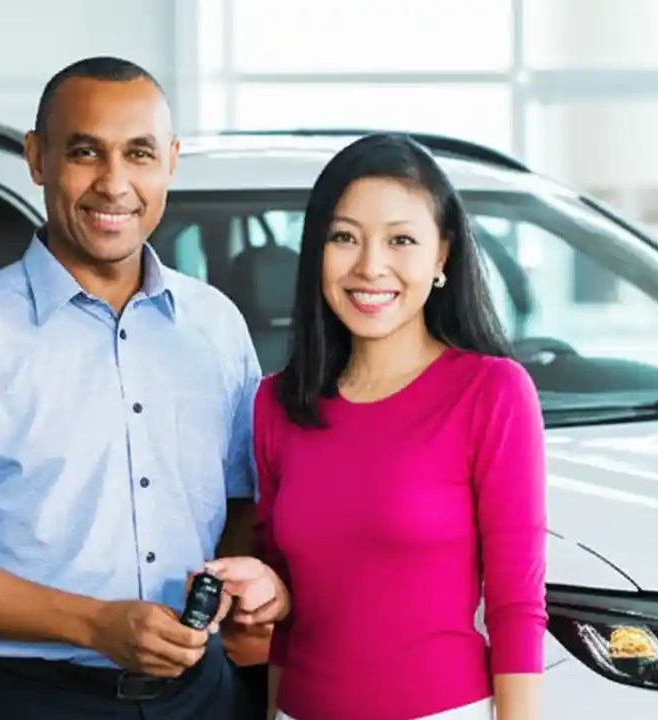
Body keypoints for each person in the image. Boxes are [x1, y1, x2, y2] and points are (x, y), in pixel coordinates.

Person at [0, 56, 260, 719]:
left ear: (170, 161)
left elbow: (241, 504)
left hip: (202, 695)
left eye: (139, 154)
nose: (114, 183)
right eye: (85, 152)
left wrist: (236, 597)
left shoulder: (216, 327)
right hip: (28, 700)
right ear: (37, 158)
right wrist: (95, 625)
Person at [211, 133, 548, 720]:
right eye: (344, 237)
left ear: (442, 255)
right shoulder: (275, 404)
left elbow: (516, 607)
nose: (370, 266)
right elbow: (286, 618)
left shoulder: (492, 393)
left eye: (401, 240)